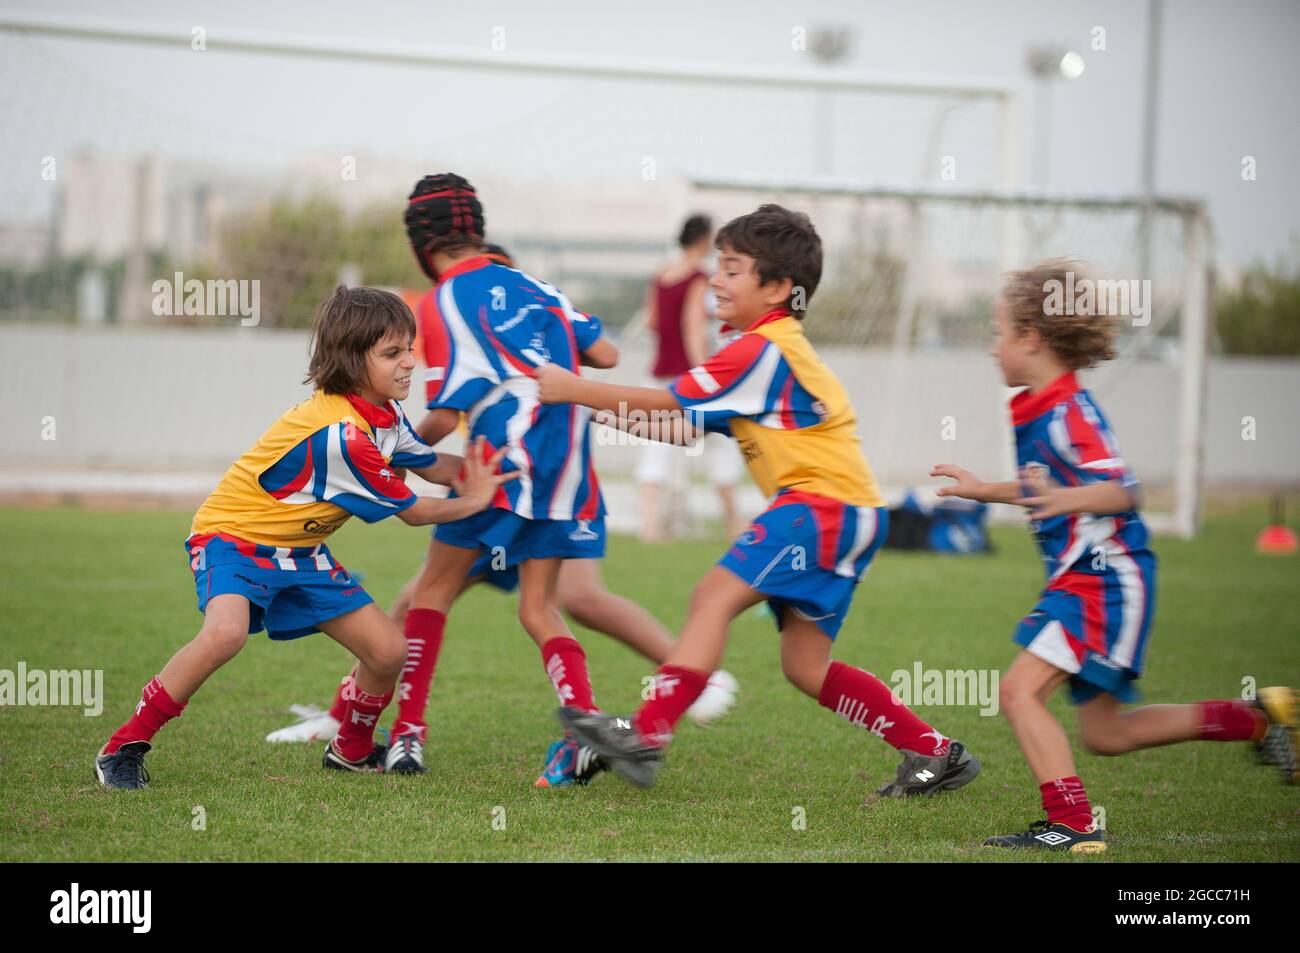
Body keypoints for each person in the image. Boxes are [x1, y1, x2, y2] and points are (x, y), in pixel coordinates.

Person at [537, 204, 981, 796]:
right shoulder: (774, 347)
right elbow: (685, 428)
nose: (716, 280)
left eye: (732, 269)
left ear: (777, 288)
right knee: (805, 667)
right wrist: (589, 407)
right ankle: (935, 753)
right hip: (853, 514)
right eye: (717, 266)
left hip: (818, 509)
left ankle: (647, 734)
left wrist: (573, 386)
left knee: (713, 596)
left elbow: (669, 403)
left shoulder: (759, 350)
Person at [264, 245, 740, 787]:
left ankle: (405, 734)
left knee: (449, 599)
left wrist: (396, 446)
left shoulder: (478, 331)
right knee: (535, 605)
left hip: (498, 489)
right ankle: (636, 706)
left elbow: (443, 427)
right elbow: (609, 371)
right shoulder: (531, 328)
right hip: (551, 489)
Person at [930, 259, 1297, 852]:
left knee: (1019, 691)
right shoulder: (1035, 404)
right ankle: (1259, 718)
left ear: (1032, 338)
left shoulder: (1070, 412)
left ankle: (1073, 824)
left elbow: (1124, 489)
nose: (992, 348)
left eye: (998, 334)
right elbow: (1046, 487)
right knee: (1107, 734)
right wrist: (985, 489)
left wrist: (1063, 497)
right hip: (1085, 581)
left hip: (1104, 582)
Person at [93, 286, 514, 789]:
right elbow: (417, 512)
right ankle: (123, 747)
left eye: (410, 348)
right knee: (225, 635)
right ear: (352, 361)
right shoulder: (341, 435)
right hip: (232, 540)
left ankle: (350, 752)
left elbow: (431, 464)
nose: (410, 363)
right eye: (392, 353)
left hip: (302, 553)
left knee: (386, 653)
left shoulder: (383, 414)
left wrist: (499, 468)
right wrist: (479, 497)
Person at [637, 214, 745, 541]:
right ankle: (733, 523)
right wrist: (704, 374)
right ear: (702, 240)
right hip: (687, 377)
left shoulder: (661, 275)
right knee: (722, 442)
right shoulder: (698, 278)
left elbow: (653, 321)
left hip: (659, 374)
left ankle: (648, 527)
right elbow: (693, 327)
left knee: (656, 447)